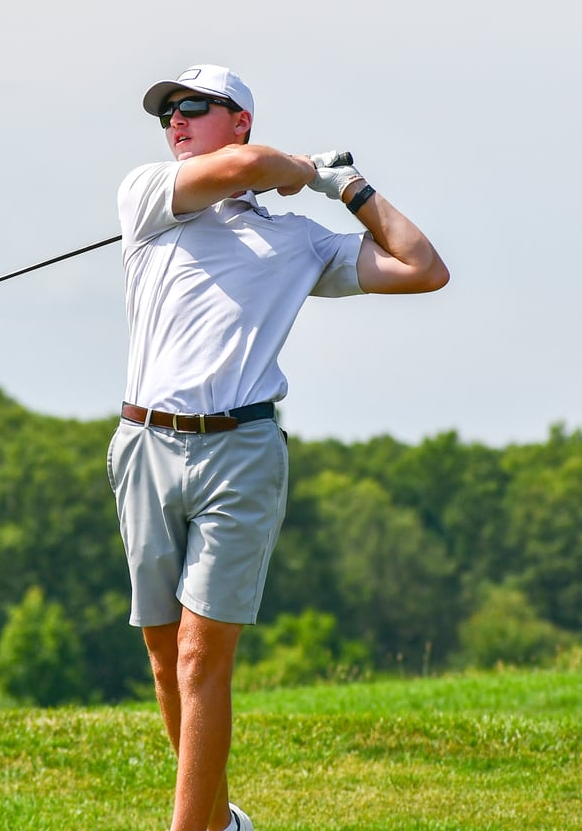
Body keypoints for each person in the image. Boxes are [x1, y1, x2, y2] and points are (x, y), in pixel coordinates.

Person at [106, 64, 448, 831]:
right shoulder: (149, 197)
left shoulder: (295, 240)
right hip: (142, 446)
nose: (176, 122)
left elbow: (423, 268)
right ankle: (221, 820)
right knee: (165, 660)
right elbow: (250, 169)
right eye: (169, 112)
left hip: (240, 452)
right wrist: (300, 169)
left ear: (239, 120)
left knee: (200, 658)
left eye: (195, 108)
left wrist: (347, 190)